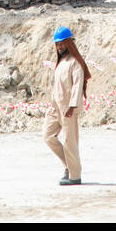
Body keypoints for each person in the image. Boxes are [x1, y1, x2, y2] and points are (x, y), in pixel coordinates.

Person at [44, 26, 90, 186]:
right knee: (48, 136)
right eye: (57, 44)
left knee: (70, 142)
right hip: (56, 108)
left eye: (62, 43)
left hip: (69, 109)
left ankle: (75, 176)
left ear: (69, 43)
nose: (60, 47)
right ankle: (68, 166)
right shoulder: (61, 61)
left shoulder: (75, 63)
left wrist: (72, 106)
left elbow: (77, 86)